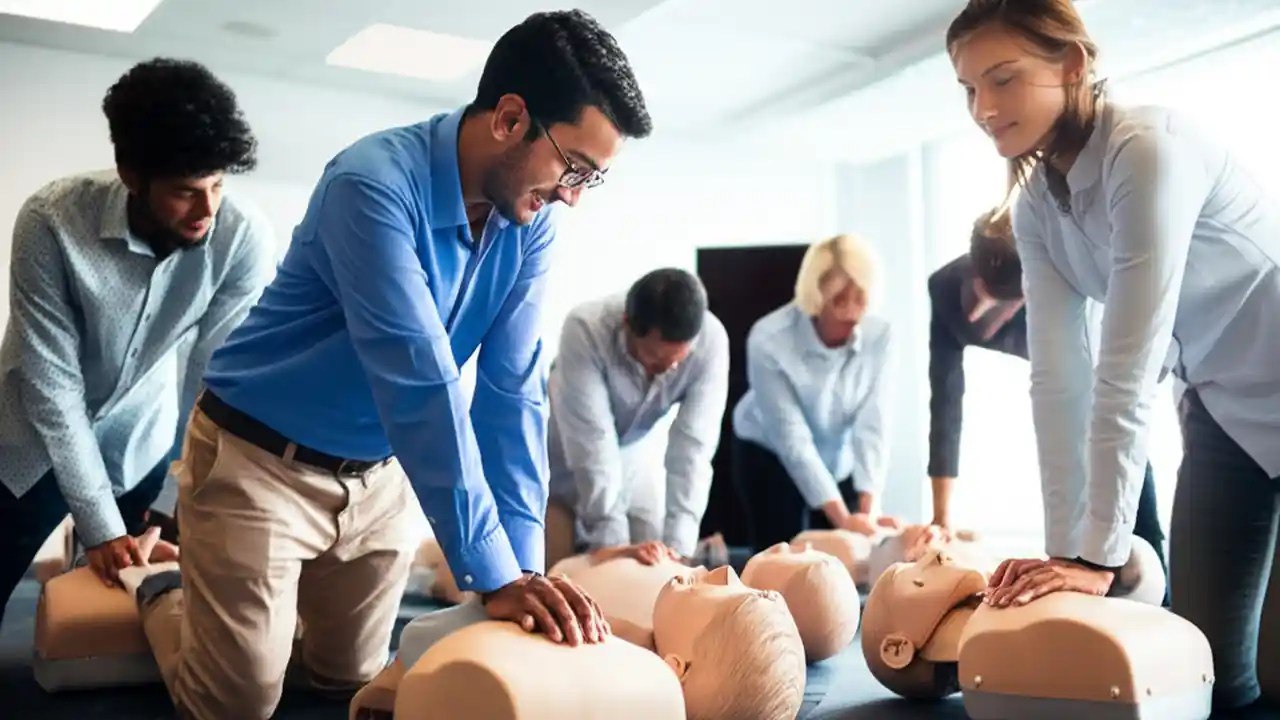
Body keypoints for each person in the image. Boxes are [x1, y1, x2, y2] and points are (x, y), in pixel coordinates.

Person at [118, 10, 653, 720]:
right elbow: (421, 380)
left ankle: (260, 611)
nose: (574, 195)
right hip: (258, 460)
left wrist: (524, 564)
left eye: (594, 178)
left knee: (347, 681)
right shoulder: (371, 184)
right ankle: (167, 595)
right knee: (240, 702)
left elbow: (512, 390)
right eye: (574, 167)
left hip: (376, 477)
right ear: (511, 118)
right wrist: (490, 575)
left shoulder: (533, 221)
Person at [948, 0, 1280, 711]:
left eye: (1002, 79)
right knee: (1213, 673)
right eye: (969, 88)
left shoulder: (1149, 150)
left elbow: (1126, 367)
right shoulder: (1037, 203)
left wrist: (1098, 556)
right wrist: (1067, 553)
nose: (982, 107)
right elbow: (1058, 381)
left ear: (1072, 64)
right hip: (1223, 412)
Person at [0, 58, 274, 626]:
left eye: (219, 185)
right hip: (27, 442)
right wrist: (100, 526)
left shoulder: (241, 238)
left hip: (140, 444)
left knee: (121, 611)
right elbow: (51, 384)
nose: (208, 211)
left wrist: (179, 503)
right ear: (130, 174)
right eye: (185, 192)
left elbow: (215, 381)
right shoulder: (51, 222)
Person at [927, 208, 1169, 604]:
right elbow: (946, 404)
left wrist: (1098, 557)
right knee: (1070, 451)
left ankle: (1156, 586)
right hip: (1059, 372)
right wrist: (942, 517)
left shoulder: (1067, 283)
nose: (988, 307)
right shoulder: (945, 289)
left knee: (1107, 437)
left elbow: (1106, 407)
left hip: (1092, 374)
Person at [546, 268, 729, 566]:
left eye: (677, 361)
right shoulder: (585, 329)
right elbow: (592, 445)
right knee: (559, 570)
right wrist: (612, 551)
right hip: (559, 458)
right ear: (627, 325)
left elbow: (693, 449)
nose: (668, 369)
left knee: (655, 550)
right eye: (656, 359)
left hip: (630, 452)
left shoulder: (711, 341)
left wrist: (679, 552)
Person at [731, 233, 902, 552]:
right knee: (780, 561)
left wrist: (868, 510)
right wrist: (842, 519)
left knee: (847, 556)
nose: (851, 312)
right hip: (769, 453)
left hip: (838, 453)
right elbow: (792, 441)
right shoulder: (769, 338)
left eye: (860, 299)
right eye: (839, 300)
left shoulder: (880, 335)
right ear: (816, 294)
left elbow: (873, 424)